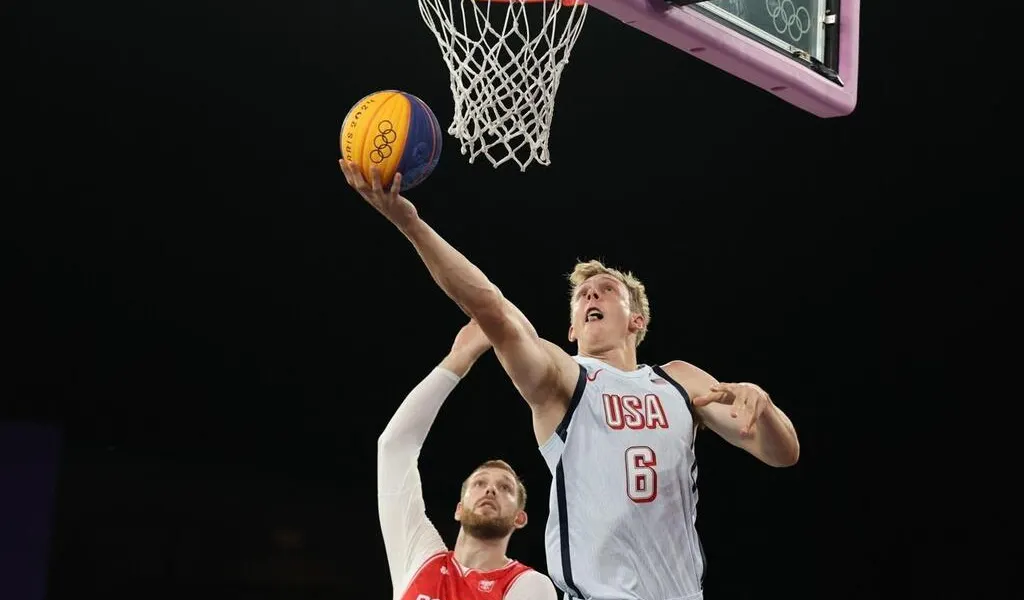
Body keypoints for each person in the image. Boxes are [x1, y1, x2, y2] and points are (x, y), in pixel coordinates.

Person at [346, 161, 801, 600]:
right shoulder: (565, 377)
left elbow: (782, 454)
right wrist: (412, 225)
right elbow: (493, 309)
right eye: (582, 295)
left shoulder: (679, 380)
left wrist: (764, 405)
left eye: (606, 290)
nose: (591, 295)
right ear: (572, 330)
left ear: (636, 320)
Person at [377, 319, 558, 600]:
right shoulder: (418, 556)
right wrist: (459, 358)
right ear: (459, 509)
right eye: (480, 483)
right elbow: (394, 447)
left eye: (506, 488)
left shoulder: (531, 585)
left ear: (519, 519)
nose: (490, 489)